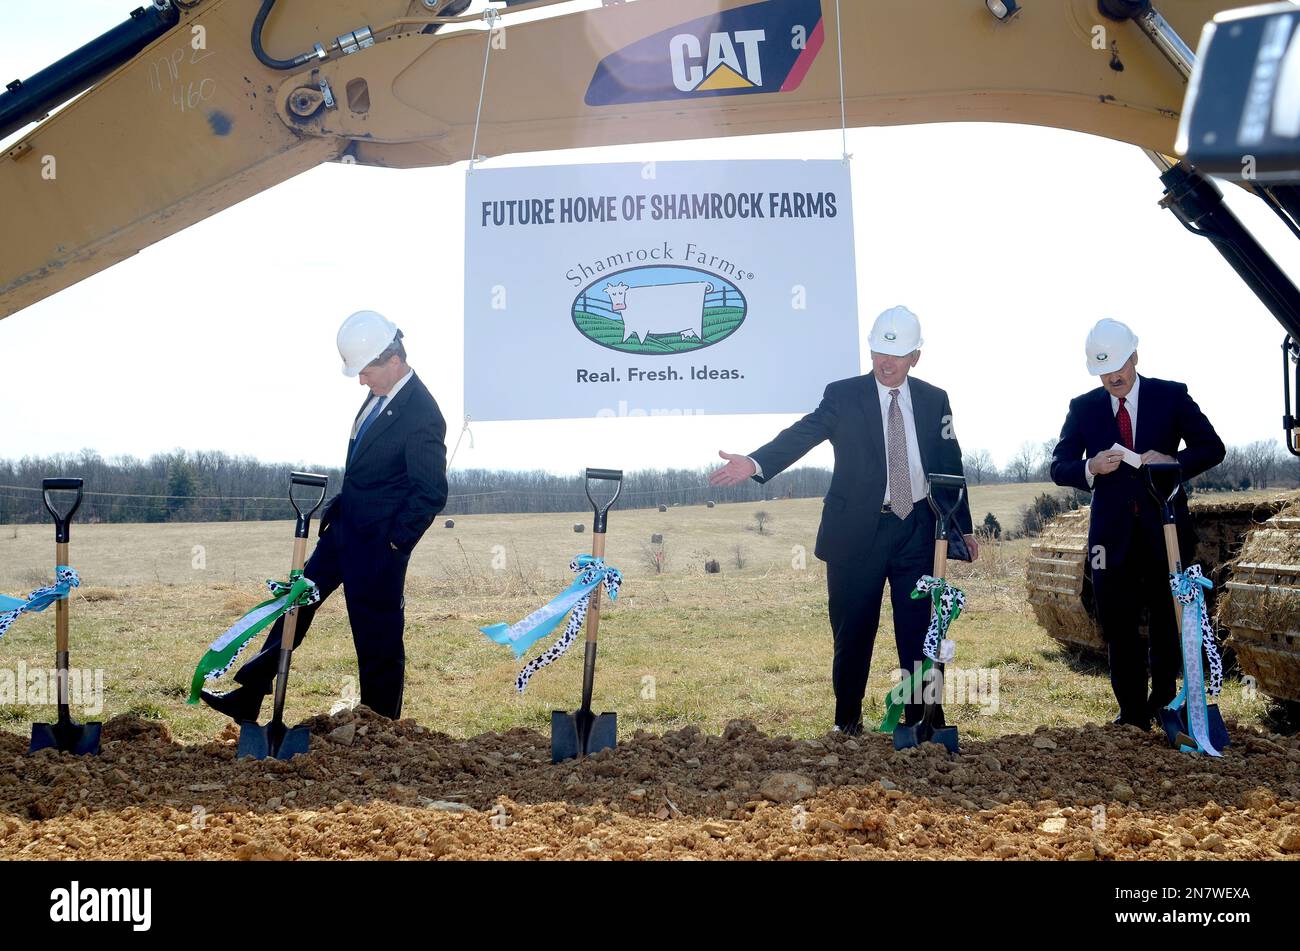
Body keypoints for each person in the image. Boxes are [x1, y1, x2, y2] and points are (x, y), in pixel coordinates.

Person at [709, 305, 978, 735]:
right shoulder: (843, 395)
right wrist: (757, 462)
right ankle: (847, 724)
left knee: (920, 633)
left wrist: (961, 525)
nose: (885, 363)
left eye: (896, 354)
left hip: (918, 531)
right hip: (856, 533)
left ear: (916, 356)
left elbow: (950, 461)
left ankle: (923, 725)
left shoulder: (934, 399)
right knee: (853, 633)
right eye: (877, 352)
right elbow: (804, 433)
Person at [201, 310, 448, 721]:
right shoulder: (378, 397)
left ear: (393, 360)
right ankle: (250, 695)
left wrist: (393, 543)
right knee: (295, 606)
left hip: (379, 548)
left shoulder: (422, 413)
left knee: (377, 639)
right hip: (344, 534)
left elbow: (430, 493)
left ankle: (379, 726)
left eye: (365, 370)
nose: (361, 380)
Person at [1050, 318, 1225, 729]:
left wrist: (1174, 462)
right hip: (1110, 539)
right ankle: (1130, 713)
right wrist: (1089, 467)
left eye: (1119, 367)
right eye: (1103, 371)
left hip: (1166, 532)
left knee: (1167, 621)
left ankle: (1164, 703)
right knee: (1118, 625)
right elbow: (1059, 465)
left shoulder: (1171, 396)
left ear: (1135, 356)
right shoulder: (1084, 408)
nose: (1113, 377)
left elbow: (1212, 447)